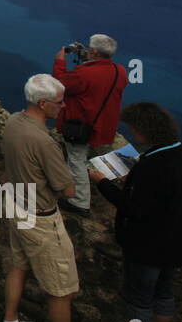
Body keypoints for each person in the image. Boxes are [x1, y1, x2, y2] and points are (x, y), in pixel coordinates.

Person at [88, 102, 182, 322]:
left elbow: (133, 209)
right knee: (164, 293)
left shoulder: (152, 167)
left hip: (149, 245)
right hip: (180, 241)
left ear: (143, 132)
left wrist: (102, 181)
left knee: (138, 301)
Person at [0, 73, 102, 322]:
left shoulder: (13, 123)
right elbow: (67, 189)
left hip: (16, 205)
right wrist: (92, 176)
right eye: (59, 102)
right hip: (41, 218)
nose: (63, 106)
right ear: (43, 104)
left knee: (18, 266)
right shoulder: (43, 141)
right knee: (61, 288)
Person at [52, 34, 128, 216]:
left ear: (94, 51)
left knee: (76, 161)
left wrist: (60, 62)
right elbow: (99, 84)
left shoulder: (85, 73)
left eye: (89, 49)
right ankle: (119, 189)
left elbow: (60, 85)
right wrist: (89, 61)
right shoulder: (120, 71)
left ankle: (80, 203)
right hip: (106, 125)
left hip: (82, 127)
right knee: (111, 158)